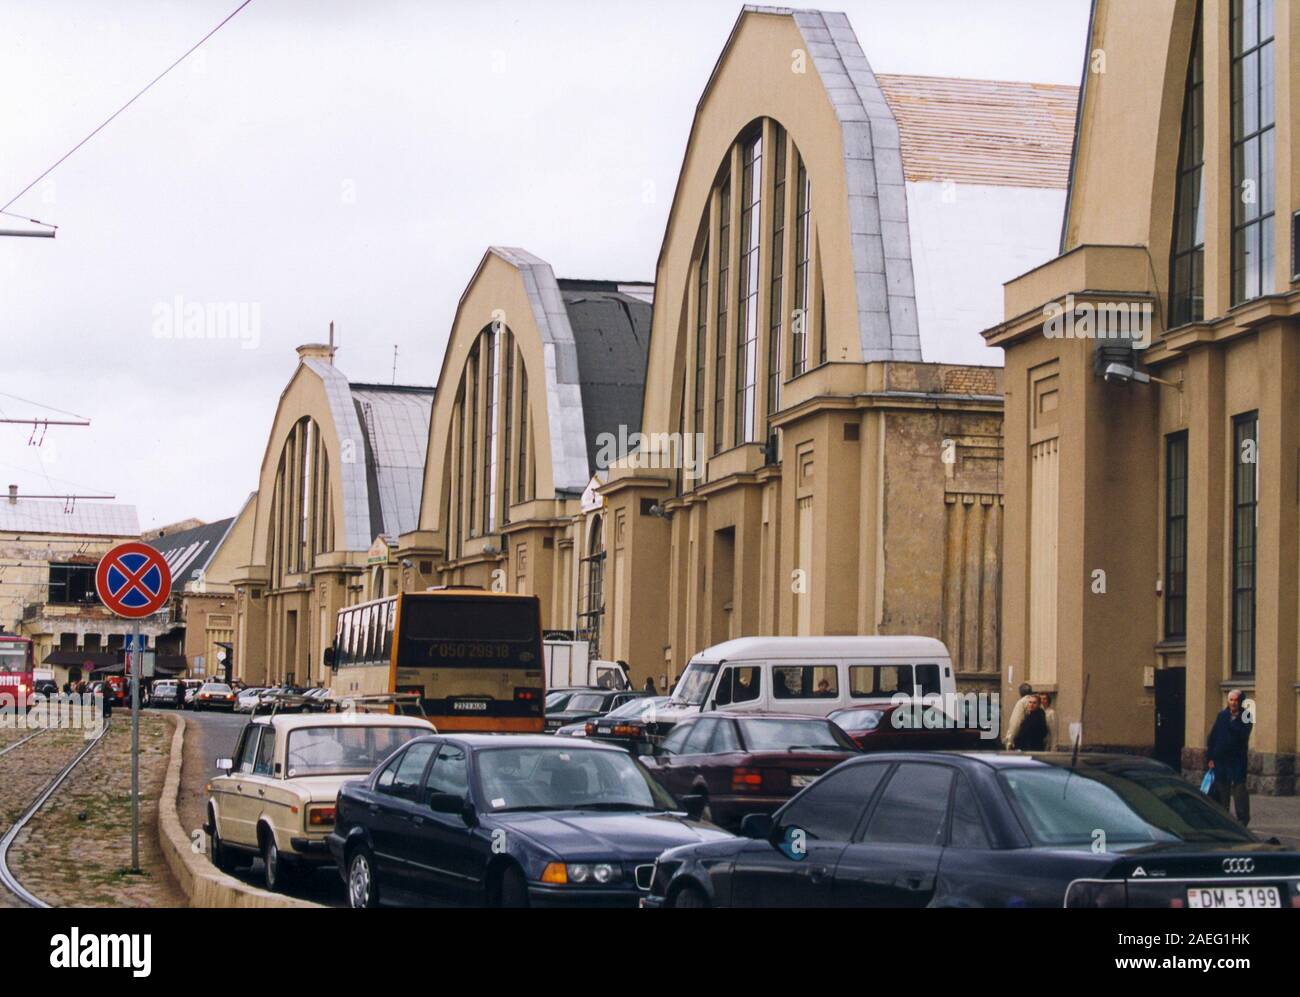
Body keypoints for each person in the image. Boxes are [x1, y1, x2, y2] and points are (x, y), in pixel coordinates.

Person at [1206, 689, 1252, 825]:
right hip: (1221, 760)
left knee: (1239, 791)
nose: (1233, 703)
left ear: (1240, 701)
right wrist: (1210, 758)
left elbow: (1243, 734)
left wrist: (1233, 721)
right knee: (1222, 791)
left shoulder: (1246, 716)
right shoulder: (1222, 715)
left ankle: (1242, 820)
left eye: (1236, 700)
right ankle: (1223, 820)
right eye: (1231, 700)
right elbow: (1213, 737)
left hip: (1237, 760)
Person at [1003, 682, 1035, 749]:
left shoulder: (1021, 702)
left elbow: (1015, 722)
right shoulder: (1036, 702)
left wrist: (1010, 740)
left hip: (1022, 739)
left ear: (1020, 693)